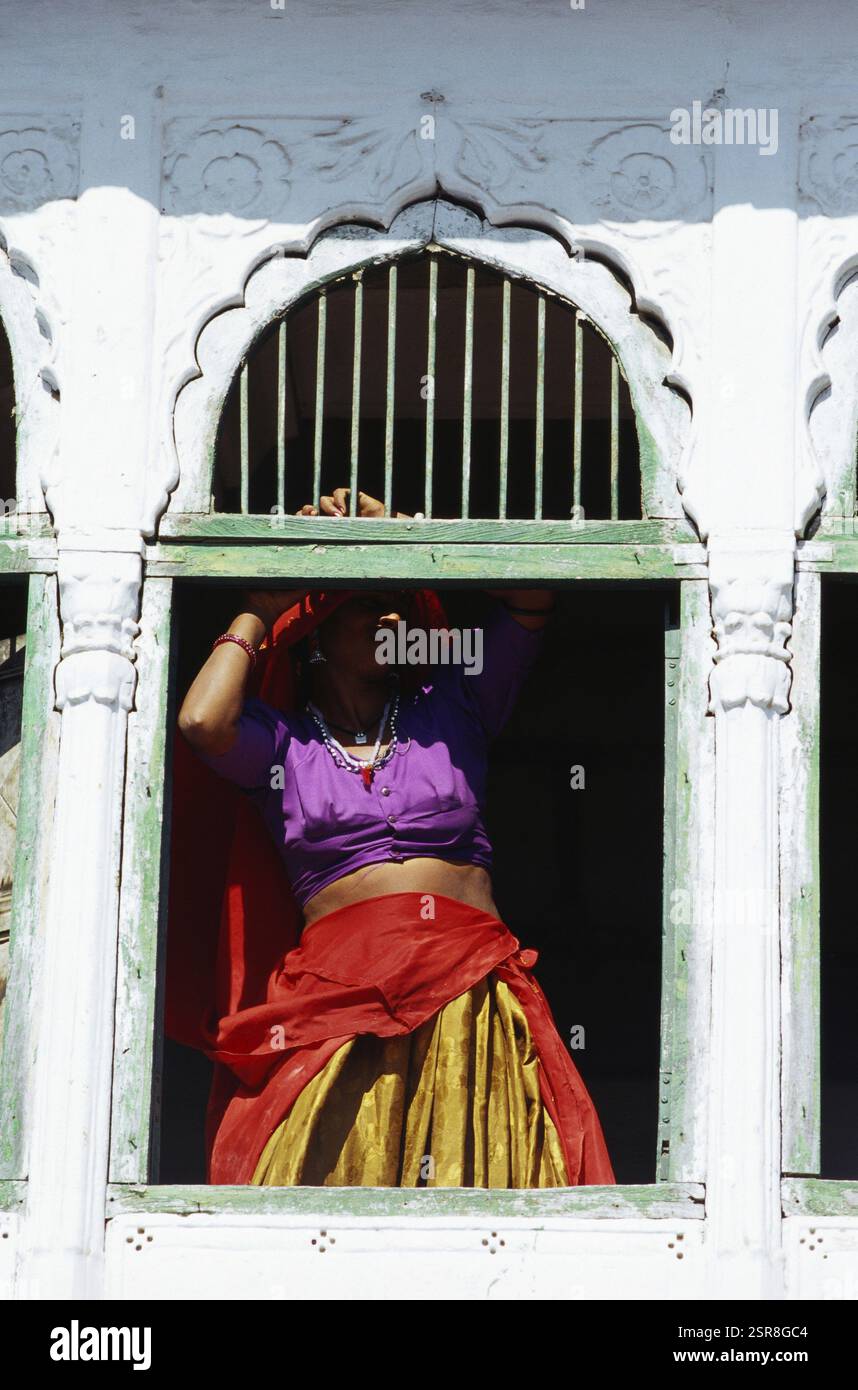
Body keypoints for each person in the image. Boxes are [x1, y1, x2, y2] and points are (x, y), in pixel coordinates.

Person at [176, 486, 616, 1189]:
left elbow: (534, 595)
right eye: (363, 604)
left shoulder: (454, 703)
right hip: (337, 1006)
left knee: (478, 1187)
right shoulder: (283, 746)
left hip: (466, 994)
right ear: (316, 634)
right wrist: (260, 607)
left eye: (396, 604)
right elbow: (202, 722)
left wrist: (421, 538)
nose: (387, 615)